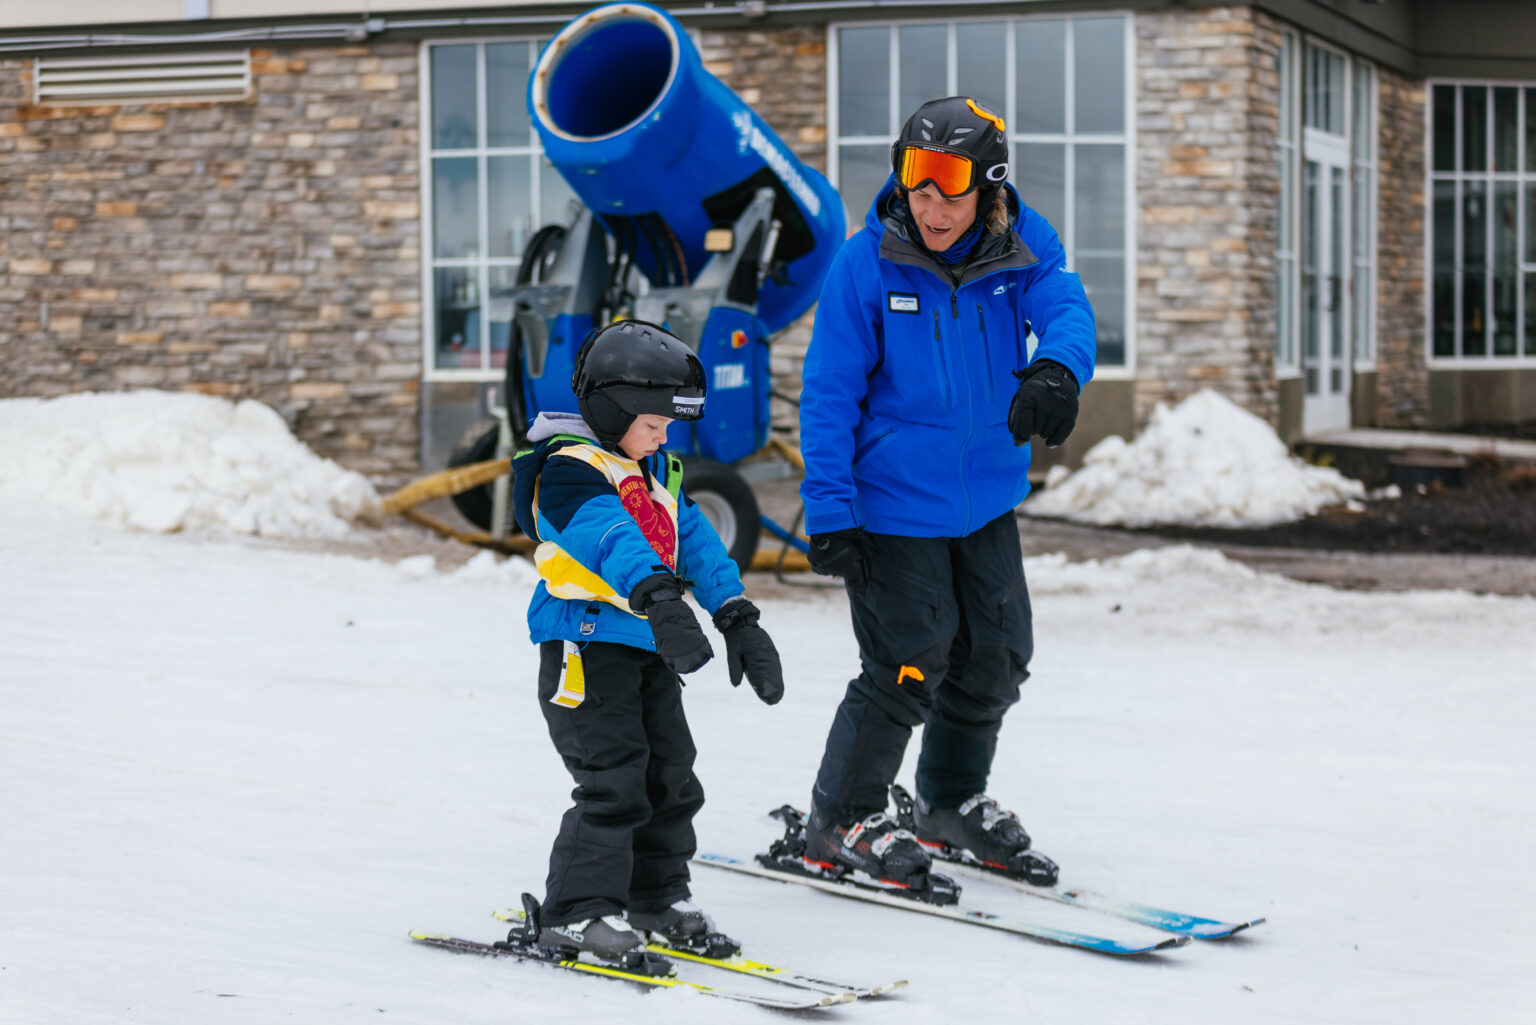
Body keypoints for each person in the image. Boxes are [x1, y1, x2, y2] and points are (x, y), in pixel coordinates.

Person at [797, 96, 1096, 892]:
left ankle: (950, 802)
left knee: (996, 658)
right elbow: (827, 391)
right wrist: (828, 507)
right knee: (906, 660)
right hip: (892, 503)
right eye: (917, 184)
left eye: (950, 187)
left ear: (988, 185)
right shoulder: (865, 264)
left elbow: (1065, 306)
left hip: (985, 497)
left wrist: (1058, 367)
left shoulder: (1023, 243)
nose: (930, 204)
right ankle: (844, 814)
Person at [511, 319, 785, 973]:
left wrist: (735, 614)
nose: (663, 436)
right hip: (585, 647)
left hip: (646, 646)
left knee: (671, 775)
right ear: (613, 407)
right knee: (614, 780)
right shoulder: (571, 469)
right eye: (654, 422)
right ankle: (574, 911)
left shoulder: (654, 468)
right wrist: (660, 596)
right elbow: (610, 538)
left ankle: (653, 900)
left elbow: (694, 538)